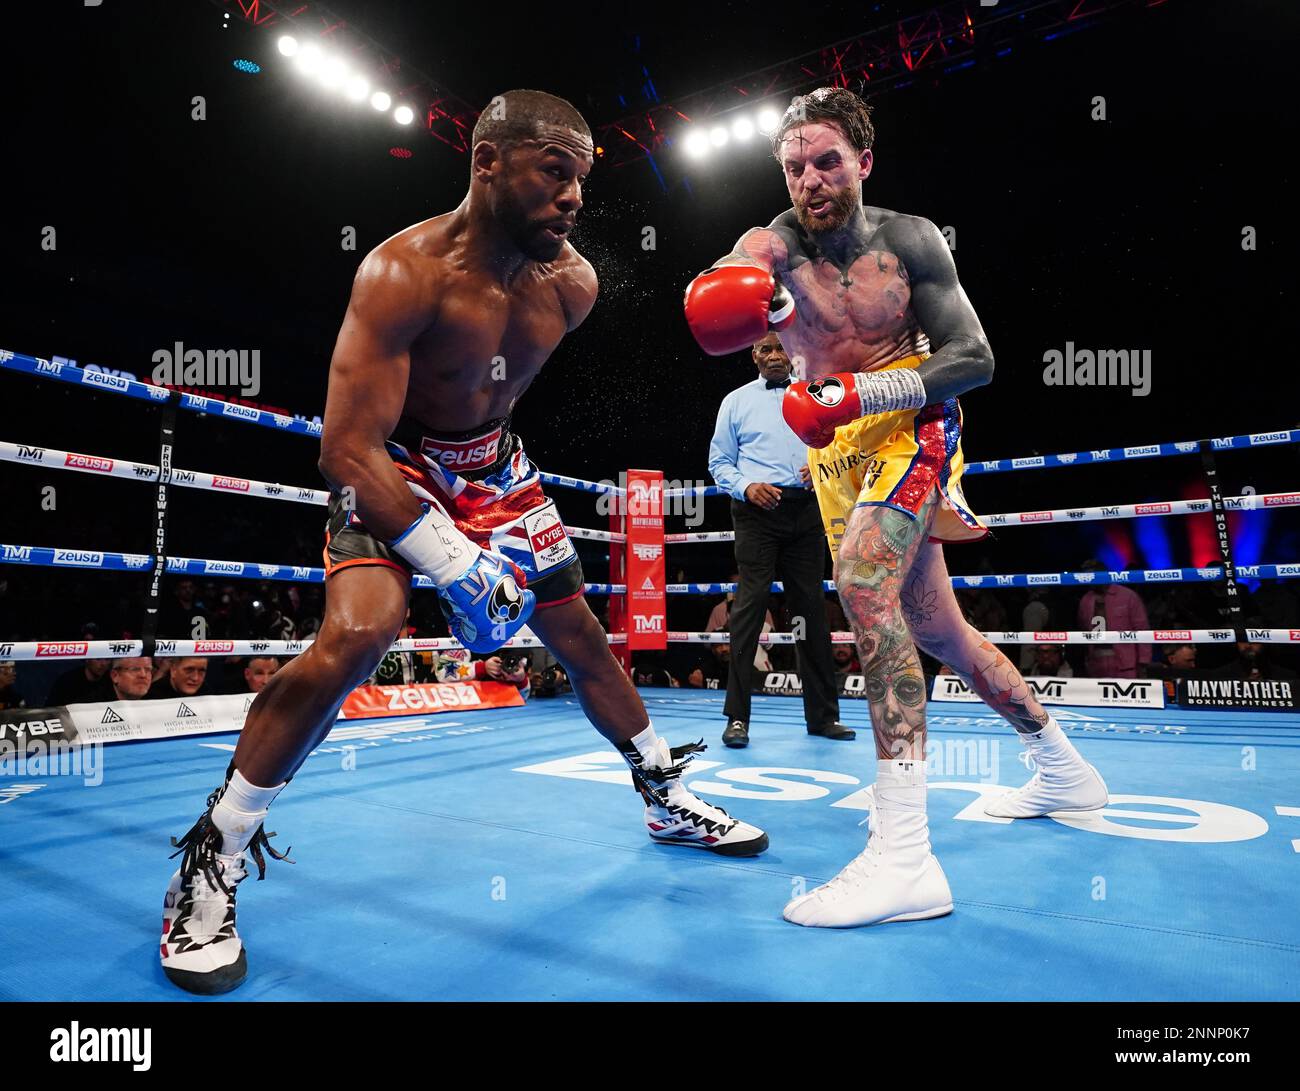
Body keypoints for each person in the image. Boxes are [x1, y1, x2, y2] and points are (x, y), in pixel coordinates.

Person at [159, 89, 767, 996]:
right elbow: (343, 447)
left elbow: (491, 393)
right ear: (486, 163)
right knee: (361, 631)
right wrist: (450, 557)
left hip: (498, 471)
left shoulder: (572, 284)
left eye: (582, 180)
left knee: (581, 637)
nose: (572, 198)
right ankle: (212, 857)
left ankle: (661, 792)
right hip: (393, 463)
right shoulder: (402, 274)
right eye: (553, 172)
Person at [684, 86, 1107, 929]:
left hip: (912, 428)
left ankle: (907, 855)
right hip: (834, 452)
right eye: (795, 165)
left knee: (863, 583)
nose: (811, 179)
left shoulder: (910, 243)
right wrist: (740, 292)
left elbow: (976, 355)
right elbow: (717, 292)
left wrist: (866, 386)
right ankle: (1062, 767)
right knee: (939, 626)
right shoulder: (772, 242)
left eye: (827, 161)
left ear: (864, 163)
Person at [707, 333, 851, 748]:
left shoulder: (820, 394)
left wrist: (821, 465)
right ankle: (737, 718)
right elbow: (719, 461)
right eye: (765, 349)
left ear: (794, 352)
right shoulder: (736, 401)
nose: (773, 356)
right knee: (750, 608)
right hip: (757, 511)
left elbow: (841, 444)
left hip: (806, 509)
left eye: (779, 348)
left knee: (810, 609)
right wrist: (748, 486)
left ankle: (823, 717)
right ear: (753, 356)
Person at [1076, 561, 1152, 678]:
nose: (1090, 580)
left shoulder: (1128, 596)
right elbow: (1083, 629)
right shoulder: (1085, 600)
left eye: (1093, 575)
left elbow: (1142, 629)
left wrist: (1143, 661)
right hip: (1096, 663)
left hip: (1125, 664)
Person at [48, 657, 112, 705]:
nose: (103, 664)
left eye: (107, 659)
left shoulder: (111, 680)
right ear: (87, 659)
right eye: (98, 659)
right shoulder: (68, 681)